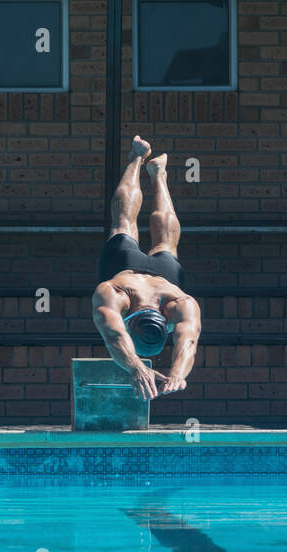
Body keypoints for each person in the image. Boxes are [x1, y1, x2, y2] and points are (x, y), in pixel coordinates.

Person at [92, 136, 202, 401]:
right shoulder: (112, 293)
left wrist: (179, 374)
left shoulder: (180, 303)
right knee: (123, 223)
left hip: (165, 277)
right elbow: (115, 336)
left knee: (165, 240)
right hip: (124, 270)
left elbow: (188, 340)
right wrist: (138, 368)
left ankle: (157, 171)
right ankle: (137, 158)